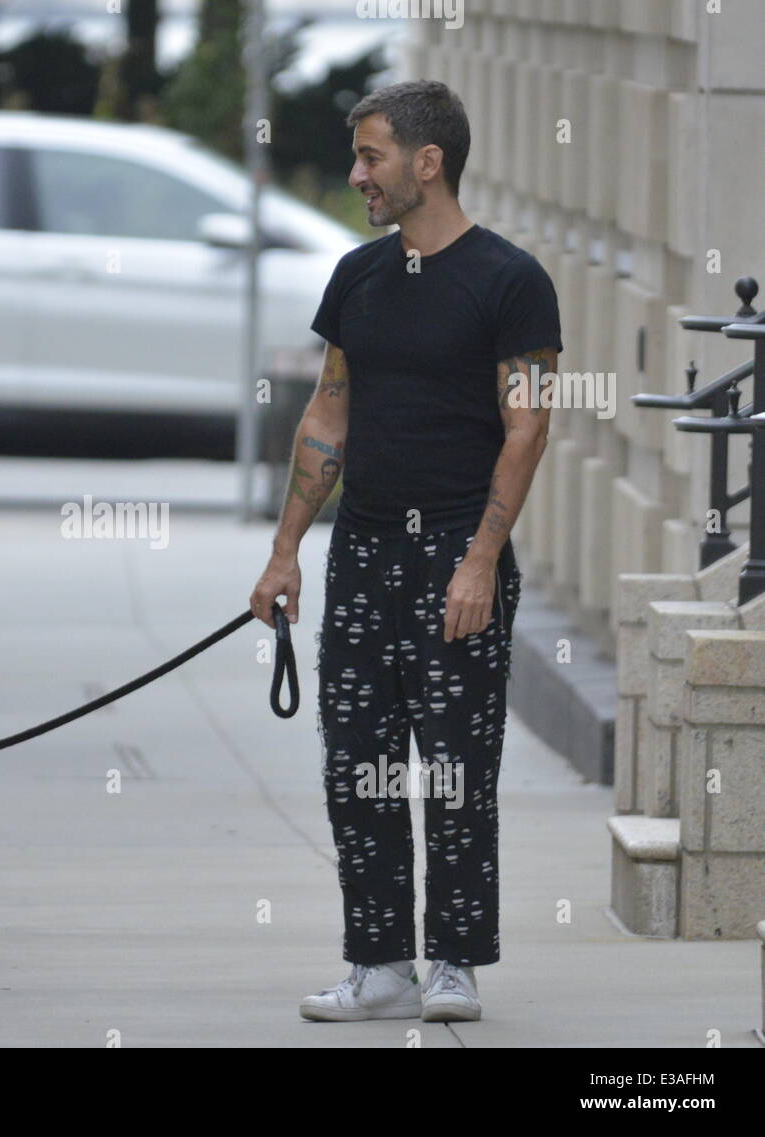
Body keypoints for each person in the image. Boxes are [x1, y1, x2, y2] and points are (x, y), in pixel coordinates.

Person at [249, 79, 562, 1023]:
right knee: (357, 762)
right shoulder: (359, 275)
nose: (357, 175)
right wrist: (284, 553)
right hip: (365, 551)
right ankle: (379, 962)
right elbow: (329, 411)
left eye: (372, 156)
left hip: (457, 556)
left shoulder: (512, 281)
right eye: (357, 157)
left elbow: (527, 429)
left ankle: (455, 963)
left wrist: (479, 561)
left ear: (429, 162)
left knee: (457, 768)